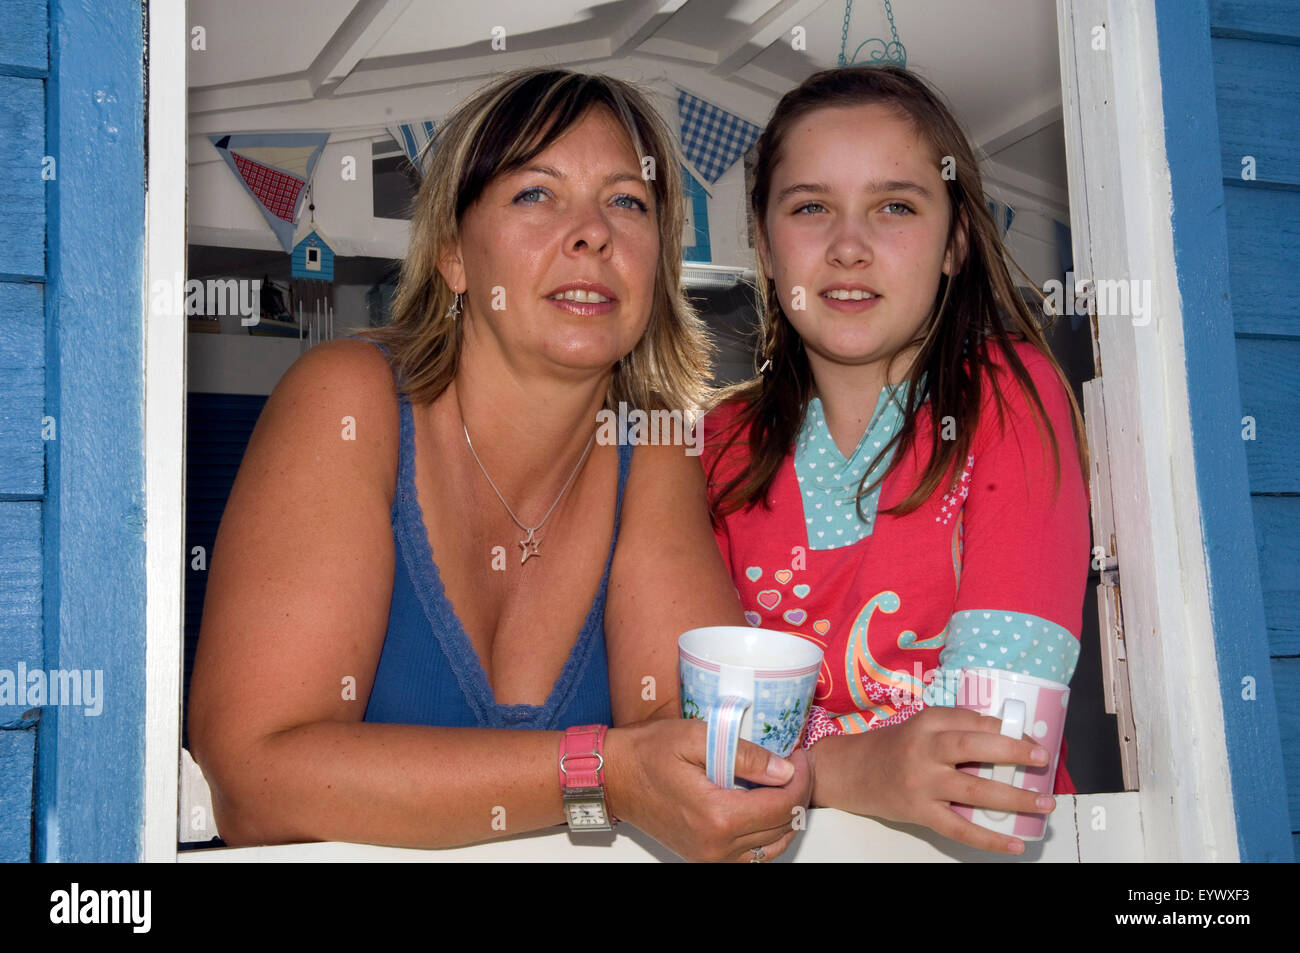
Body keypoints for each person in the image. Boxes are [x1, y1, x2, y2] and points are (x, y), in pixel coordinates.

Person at [187, 68, 810, 863]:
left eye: (627, 201)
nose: (592, 233)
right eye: (535, 194)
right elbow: (254, 781)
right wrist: (599, 774)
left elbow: (680, 750)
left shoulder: (655, 446)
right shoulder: (347, 402)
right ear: (452, 254)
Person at [703, 65, 1091, 856]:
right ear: (765, 247)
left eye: (895, 207)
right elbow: (696, 757)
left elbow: (992, 770)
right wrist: (859, 767)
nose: (849, 246)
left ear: (954, 242)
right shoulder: (710, 448)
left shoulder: (1008, 397)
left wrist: (801, 771)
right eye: (811, 207)